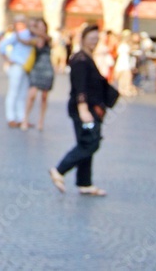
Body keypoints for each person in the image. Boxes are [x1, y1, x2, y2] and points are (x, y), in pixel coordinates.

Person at [50, 24, 113, 197]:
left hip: (89, 108)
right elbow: (80, 87)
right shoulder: (80, 59)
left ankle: (85, 183)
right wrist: (83, 108)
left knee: (86, 142)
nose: (94, 42)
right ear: (83, 38)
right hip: (84, 109)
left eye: (96, 39)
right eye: (91, 38)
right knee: (90, 143)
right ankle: (60, 170)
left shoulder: (87, 57)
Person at [0, 18, 34, 128]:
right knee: (15, 92)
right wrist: (7, 59)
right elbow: (2, 46)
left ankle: (20, 118)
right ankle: (12, 117)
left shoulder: (25, 34)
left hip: (25, 66)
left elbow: (2, 45)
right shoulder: (19, 35)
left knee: (20, 93)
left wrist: (6, 58)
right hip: (18, 65)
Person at [23, 18, 54, 130]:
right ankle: (25, 118)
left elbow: (45, 37)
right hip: (36, 67)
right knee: (32, 94)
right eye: (38, 26)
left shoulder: (48, 38)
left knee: (44, 96)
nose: (41, 29)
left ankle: (41, 121)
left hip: (47, 68)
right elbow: (24, 42)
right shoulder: (34, 39)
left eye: (42, 26)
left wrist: (32, 28)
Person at [114, 30, 137, 98]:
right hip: (123, 61)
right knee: (125, 76)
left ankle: (124, 89)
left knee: (126, 76)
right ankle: (123, 89)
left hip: (124, 61)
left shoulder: (123, 44)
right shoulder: (123, 44)